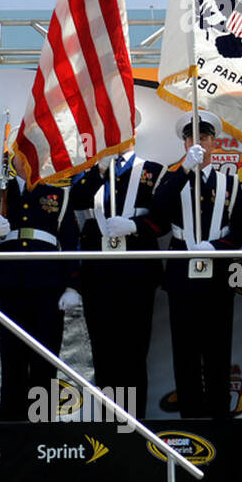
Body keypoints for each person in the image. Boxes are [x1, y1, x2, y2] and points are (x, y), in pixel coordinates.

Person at [147, 110, 242, 420]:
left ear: (214, 143)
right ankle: (190, 419)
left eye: (203, 137)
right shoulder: (174, 178)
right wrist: (184, 169)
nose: (197, 142)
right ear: (184, 144)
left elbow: (241, 230)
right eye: (191, 138)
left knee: (218, 352)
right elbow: (157, 208)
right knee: (185, 352)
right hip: (182, 276)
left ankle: (218, 417)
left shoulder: (229, 181)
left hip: (218, 275)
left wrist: (216, 247)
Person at [0, 154, 80, 421]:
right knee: (12, 363)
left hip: (47, 285)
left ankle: (42, 434)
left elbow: (70, 242)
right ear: (13, 161)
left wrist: (72, 285)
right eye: (22, 156)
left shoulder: (57, 192)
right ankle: (11, 432)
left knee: (45, 363)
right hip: (7, 285)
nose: (28, 161)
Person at [68, 130, 164, 416]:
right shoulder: (90, 171)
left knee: (134, 352)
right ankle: (108, 425)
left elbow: (164, 217)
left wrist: (136, 226)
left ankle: (135, 423)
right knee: (104, 352)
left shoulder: (152, 170)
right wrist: (99, 168)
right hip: (98, 275)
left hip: (137, 274)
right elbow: (76, 201)